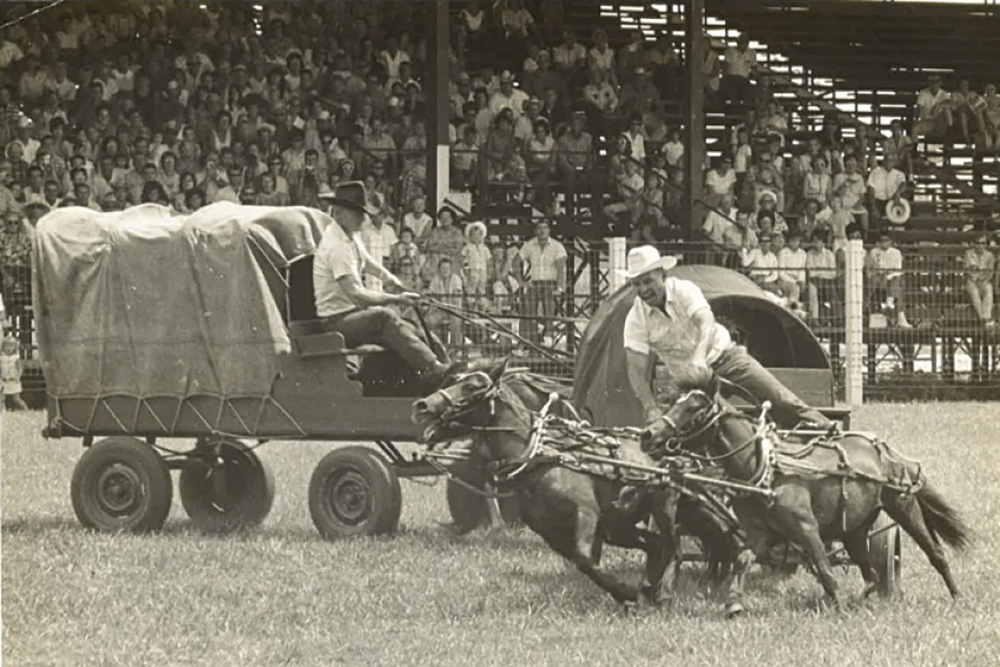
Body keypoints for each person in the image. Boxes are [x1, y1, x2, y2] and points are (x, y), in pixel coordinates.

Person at [622, 245, 832, 430]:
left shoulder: (684, 290)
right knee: (701, 430)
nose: (643, 290)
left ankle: (830, 435)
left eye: (648, 281)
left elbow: (706, 322)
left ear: (662, 274)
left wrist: (698, 358)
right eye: (637, 284)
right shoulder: (635, 319)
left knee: (781, 400)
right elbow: (635, 370)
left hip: (726, 358)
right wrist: (650, 408)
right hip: (691, 382)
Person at [313, 181, 460, 389]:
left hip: (352, 315)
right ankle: (432, 369)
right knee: (385, 316)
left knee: (408, 323)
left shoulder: (350, 237)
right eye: (359, 213)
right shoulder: (337, 247)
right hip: (336, 321)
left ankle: (445, 367)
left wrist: (397, 284)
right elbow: (356, 294)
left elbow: (370, 264)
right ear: (341, 213)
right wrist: (396, 298)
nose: (364, 219)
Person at [964, 232, 996, 329]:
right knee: (974, 292)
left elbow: (990, 272)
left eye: (983, 243)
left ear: (986, 244)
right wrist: (975, 278)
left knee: (988, 289)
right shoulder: (968, 253)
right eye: (978, 243)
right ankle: (985, 319)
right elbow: (967, 270)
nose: (980, 245)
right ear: (974, 244)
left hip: (984, 281)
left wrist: (982, 279)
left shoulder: (990, 256)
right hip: (971, 281)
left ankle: (985, 318)